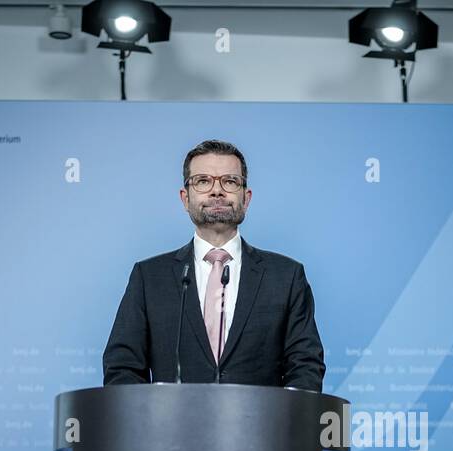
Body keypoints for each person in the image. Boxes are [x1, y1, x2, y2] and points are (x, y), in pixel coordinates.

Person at [102, 139, 325, 390]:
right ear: (185, 198)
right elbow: (122, 368)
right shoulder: (149, 278)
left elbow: (305, 367)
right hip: (169, 428)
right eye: (203, 181)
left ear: (246, 198)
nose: (217, 191)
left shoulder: (286, 277)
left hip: (260, 426)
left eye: (229, 181)